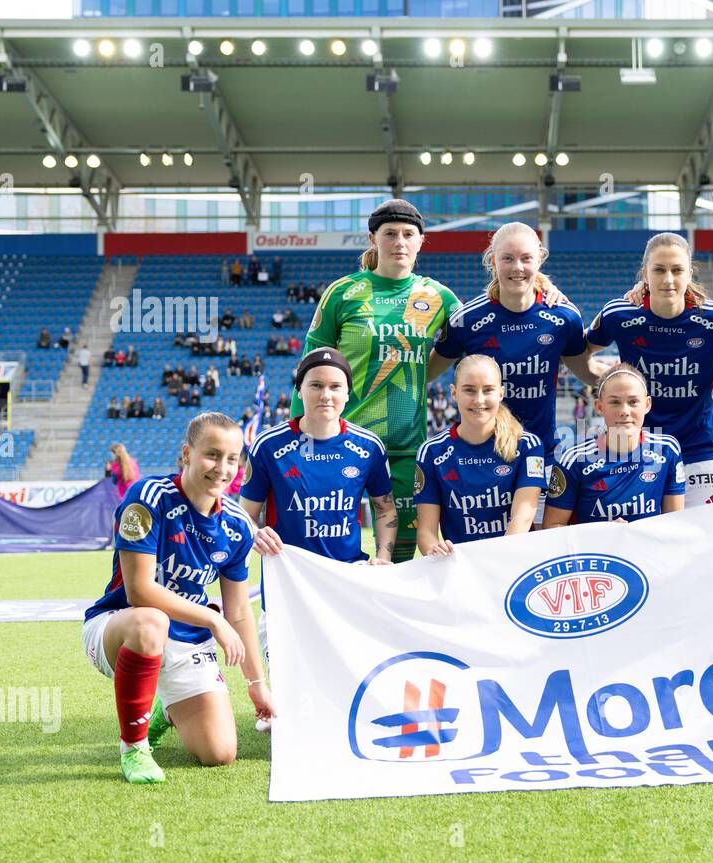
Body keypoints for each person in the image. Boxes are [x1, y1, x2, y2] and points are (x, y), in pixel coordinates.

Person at [83, 414, 272, 784]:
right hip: (121, 628)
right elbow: (140, 592)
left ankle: (163, 711)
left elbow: (237, 611)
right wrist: (212, 619)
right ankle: (134, 748)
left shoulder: (235, 525)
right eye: (212, 455)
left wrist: (257, 684)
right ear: (186, 453)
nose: (222, 468)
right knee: (152, 621)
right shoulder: (147, 497)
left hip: (187, 641)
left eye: (232, 459)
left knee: (220, 753)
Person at [289, 199, 470, 562]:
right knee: (327, 549)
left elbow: (483, 330)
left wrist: (544, 291)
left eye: (408, 234)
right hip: (340, 441)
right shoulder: (343, 293)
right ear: (374, 238)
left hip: (405, 447)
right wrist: (299, 435)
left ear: (421, 241)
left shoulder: (440, 298)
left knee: (399, 557)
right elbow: (309, 369)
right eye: (390, 234)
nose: (399, 242)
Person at [431, 222, 598, 522]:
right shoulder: (467, 321)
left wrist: (630, 378)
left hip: (543, 456)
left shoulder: (563, 317)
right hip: (480, 459)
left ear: (539, 260)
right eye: (507, 258)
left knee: (542, 554)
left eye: (526, 258)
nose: (517, 267)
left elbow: (587, 373)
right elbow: (426, 372)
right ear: (493, 261)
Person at [241, 348, 397, 663]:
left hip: (348, 583)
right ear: (300, 390)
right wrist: (255, 534)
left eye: (335, 387)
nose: (325, 394)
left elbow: (385, 508)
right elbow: (244, 514)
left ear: (347, 394)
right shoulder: (269, 446)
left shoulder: (367, 447)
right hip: (286, 585)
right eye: (315, 385)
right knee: (289, 692)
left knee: (350, 683)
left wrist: (383, 556)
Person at [587, 232, 713, 508]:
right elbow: (579, 351)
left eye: (677, 270)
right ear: (645, 273)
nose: (668, 279)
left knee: (701, 536)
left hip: (698, 450)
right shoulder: (620, 313)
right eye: (658, 270)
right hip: (635, 447)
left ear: (690, 272)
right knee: (642, 534)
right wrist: (605, 380)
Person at [414, 354, 545, 555]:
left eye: (488, 390)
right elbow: (426, 532)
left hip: (512, 560)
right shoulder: (431, 452)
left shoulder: (529, 446)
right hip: (461, 568)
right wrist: (435, 550)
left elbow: (523, 518)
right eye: (469, 390)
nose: (479, 399)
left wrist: (494, 562)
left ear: (501, 393)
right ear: (454, 393)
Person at [543, 364, 685, 527]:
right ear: (599, 407)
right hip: (594, 552)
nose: (624, 411)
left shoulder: (668, 450)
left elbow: (674, 524)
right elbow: (552, 527)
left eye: (633, 402)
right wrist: (604, 533)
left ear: (647, 404)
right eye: (615, 402)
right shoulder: (572, 459)